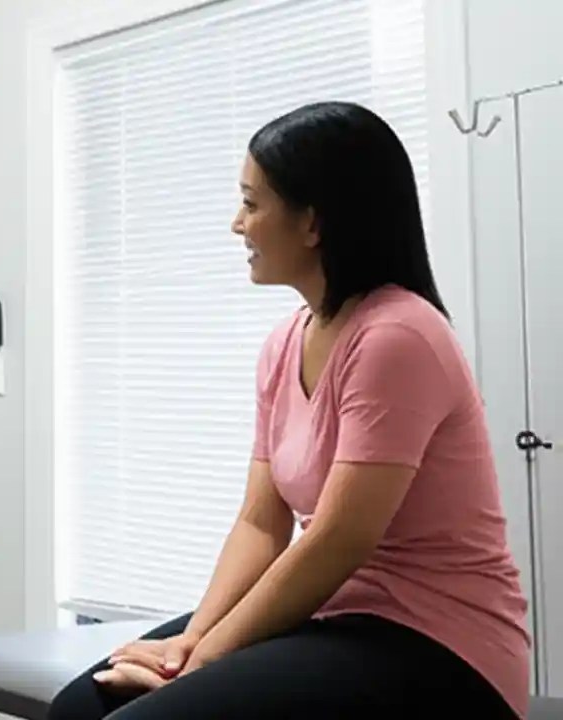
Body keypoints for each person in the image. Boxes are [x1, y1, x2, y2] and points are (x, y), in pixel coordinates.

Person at [48, 101, 531, 719]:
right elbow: (260, 524)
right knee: (80, 707)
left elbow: (337, 539)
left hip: (440, 646)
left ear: (313, 222)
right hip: (333, 615)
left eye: (252, 204)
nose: (236, 224)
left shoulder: (398, 335)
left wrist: (205, 661)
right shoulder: (284, 344)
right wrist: (191, 641)